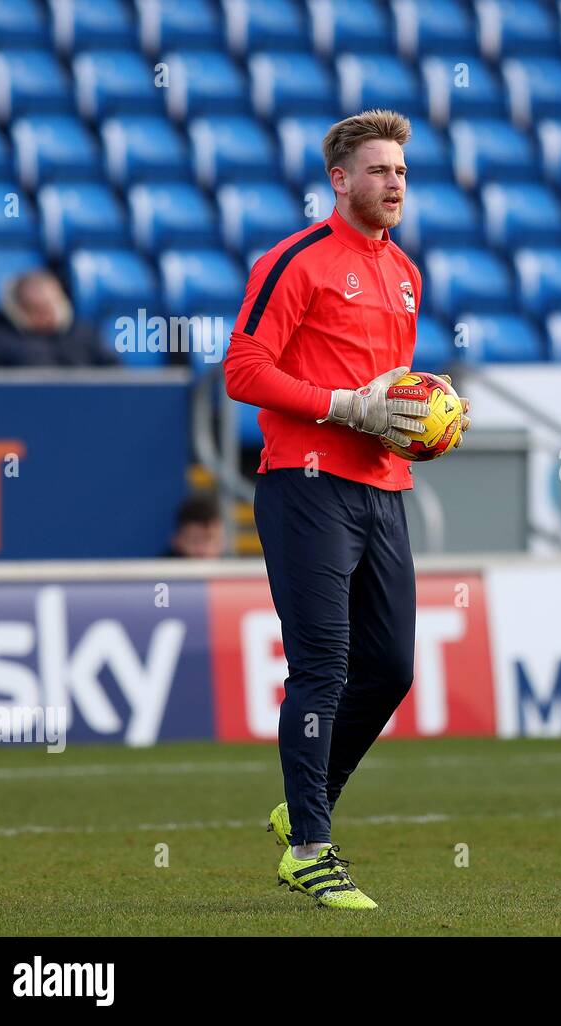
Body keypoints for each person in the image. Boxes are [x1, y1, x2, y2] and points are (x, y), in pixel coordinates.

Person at [224, 109, 469, 911]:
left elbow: (387, 391)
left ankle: (305, 801)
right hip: (306, 484)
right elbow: (243, 371)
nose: (393, 183)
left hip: (385, 490)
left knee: (392, 668)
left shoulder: (406, 273)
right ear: (339, 180)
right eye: (377, 170)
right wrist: (341, 407)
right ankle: (310, 848)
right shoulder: (294, 261)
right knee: (323, 668)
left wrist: (423, 422)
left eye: (400, 171)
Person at [0, 270, 119, 367]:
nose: (45, 316)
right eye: (35, 309)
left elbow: (114, 375)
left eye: (50, 306)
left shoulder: (85, 335)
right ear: (17, 309)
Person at [164, 494, 226, 558]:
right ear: (176, 541)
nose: (202, 551)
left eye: (209, 539)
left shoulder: (233, 565)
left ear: (222, 542)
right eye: (194, 540)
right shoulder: (159, 566)